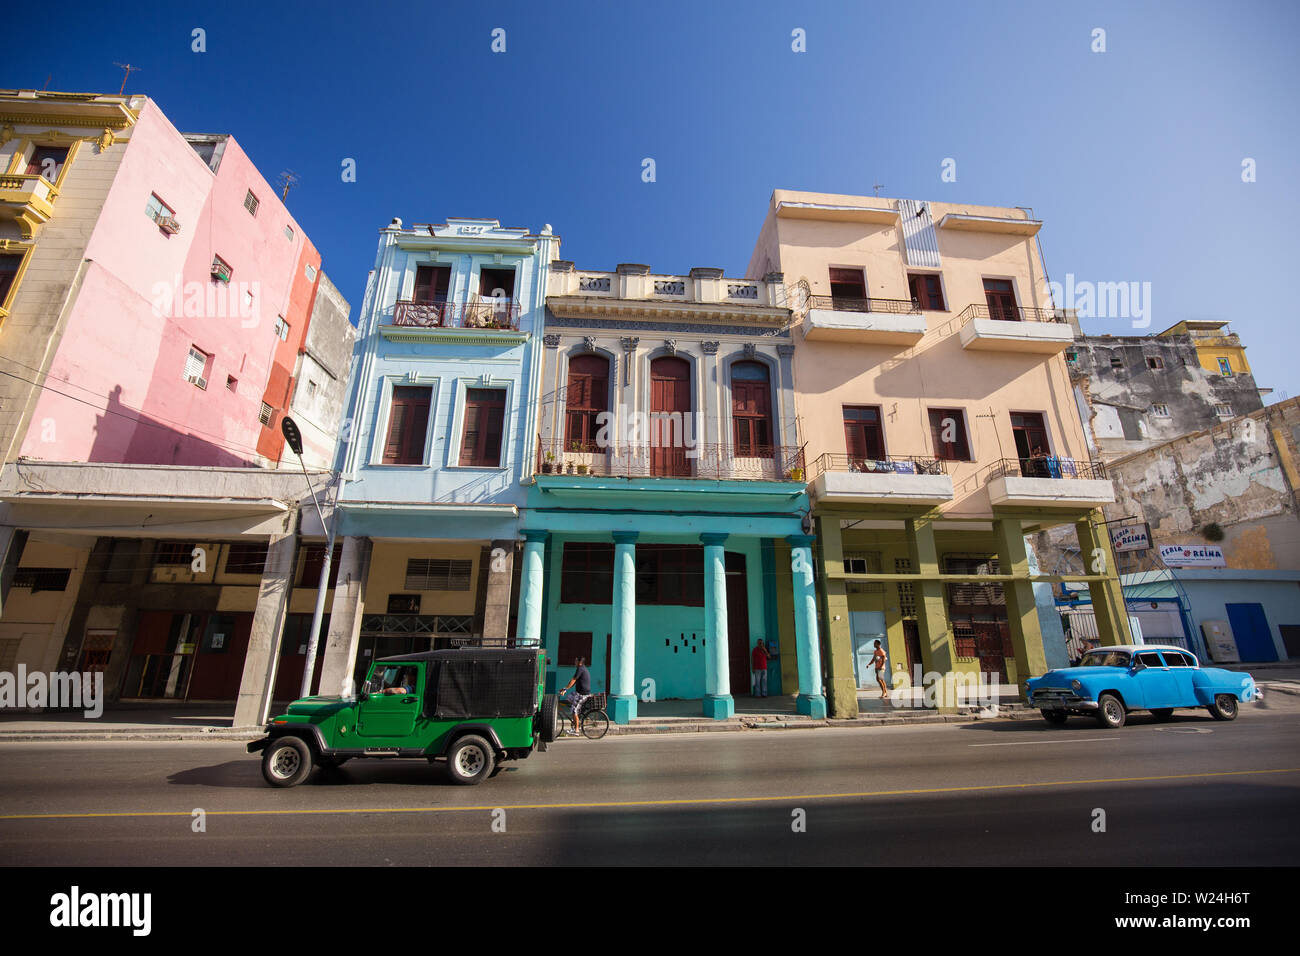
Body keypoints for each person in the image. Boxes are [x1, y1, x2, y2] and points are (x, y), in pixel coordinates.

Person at [558, 656, 591, 736]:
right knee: (569, 698)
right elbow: (574, 682)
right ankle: (577, 715)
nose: (574, 662)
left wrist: (565, 688)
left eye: (576, 661)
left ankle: (576, 730)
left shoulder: (580, 669)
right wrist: (565, 689)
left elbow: (573, 680)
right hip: (579, 692)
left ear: (580, 662)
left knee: (574, 710)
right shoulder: (582, 668)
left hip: (582, 694)